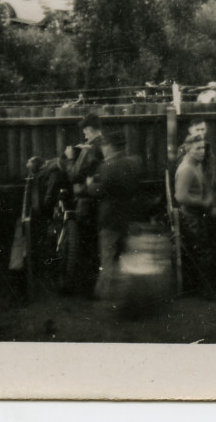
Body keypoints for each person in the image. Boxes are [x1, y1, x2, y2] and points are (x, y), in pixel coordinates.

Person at [89, 132, 143, 301]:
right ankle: (127, 296)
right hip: (127, 217)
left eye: (105, 146)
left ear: (110, 147)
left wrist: (90, 184)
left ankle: (104, 297)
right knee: (124, 258)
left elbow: (98, 191)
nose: (103, 149)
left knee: (107, 259)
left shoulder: (106, 167)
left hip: (109, 219)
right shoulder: (134, 163)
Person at [174, 134, 216, 299]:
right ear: (188, 149)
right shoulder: (186, 169)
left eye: (203, 147)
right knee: (204, 253)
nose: (202, 151)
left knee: (208, 249)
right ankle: (208, 292)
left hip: (199, 214)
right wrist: (204, 203)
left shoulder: (196, 164)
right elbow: (180, 197)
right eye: (198, 148)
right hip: (191, 218)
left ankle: (207, 287)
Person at [67, 113, 106, 292]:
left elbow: (75, 175)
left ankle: (88, 287)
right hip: (102, 201)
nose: (85, 136)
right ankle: (96, 285)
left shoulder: (90, 149)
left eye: (86, 132)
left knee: (86, 245)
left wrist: (71, 158)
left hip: (87, 202)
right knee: (97, 245)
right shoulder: (105, 143)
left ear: (90, 130)